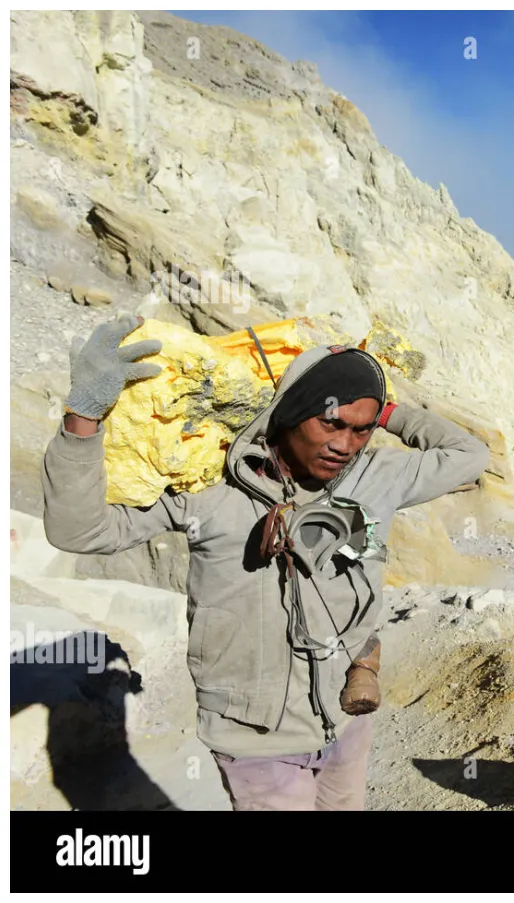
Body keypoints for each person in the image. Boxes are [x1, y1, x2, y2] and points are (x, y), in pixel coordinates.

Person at [42, 314, 490, 810]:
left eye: (361, 430)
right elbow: (79, 531)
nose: (345, 445)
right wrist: (83, 418)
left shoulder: (377, 476)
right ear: (291, 411)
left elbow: (469, 454)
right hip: (257, 741)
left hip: (344, 717)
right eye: (331, 423)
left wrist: (387, 413)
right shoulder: (209, 489)